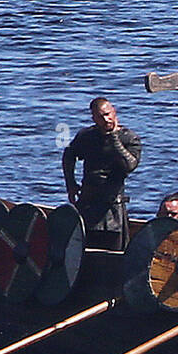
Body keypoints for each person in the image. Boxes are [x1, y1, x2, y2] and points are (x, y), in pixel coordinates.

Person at [63, 97, 142, 250]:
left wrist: (113, 138)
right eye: (100, 116)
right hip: (88, 203)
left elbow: (129, 165)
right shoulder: (87, 136)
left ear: (114, 113)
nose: (106, 119)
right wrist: (71, 184)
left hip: (112, 208)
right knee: (82, 252)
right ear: (94, 118)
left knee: (114, 254)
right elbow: (69, 156)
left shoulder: (129, 138)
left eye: (108, 114)